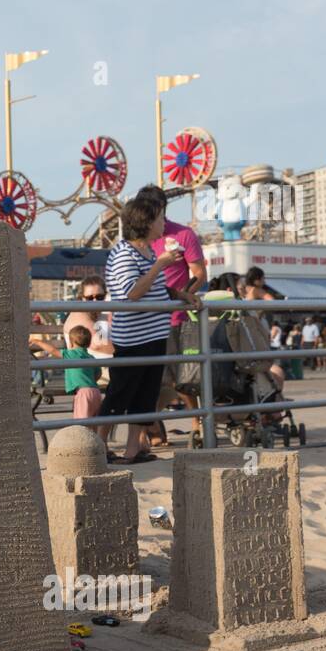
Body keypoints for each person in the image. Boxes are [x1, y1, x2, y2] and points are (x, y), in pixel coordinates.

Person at [98, 197, 197, 463]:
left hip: (154, 335)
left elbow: (153, 289)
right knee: (119, 395)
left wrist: (180, 294)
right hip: (132, 339)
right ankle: (96, 447)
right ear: (146, 222)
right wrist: (160, 265)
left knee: (145, 396)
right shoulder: (124, 253)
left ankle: (132, 451)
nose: (164, 222)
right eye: (159, 217)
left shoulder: (149, 252)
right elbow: (133, 292)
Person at [138, 184, 206, 449]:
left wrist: (182, 296)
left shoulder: (184, 234)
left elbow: (199, 274)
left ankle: (197, 423)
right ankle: (149, 430)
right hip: (143, 319)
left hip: (176, 319)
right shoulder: (138, 239)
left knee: (184, 379)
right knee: (151, 380)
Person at [33, 324, 103, 419]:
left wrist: (38, 341)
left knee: (81, 425)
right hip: (96, 392)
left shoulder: (71, 354)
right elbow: (98, 373)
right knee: (94, 423)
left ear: (71, 343)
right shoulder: (90, 357)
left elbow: (53, 351)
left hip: (83, 393)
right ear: (88, 343)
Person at [63, 275, 115, 358]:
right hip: (87, 368)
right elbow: (97, 344)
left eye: (99, 297)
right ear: (82, 298)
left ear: (105, 296)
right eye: (90, 298)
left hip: (106, 365)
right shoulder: (79, 314)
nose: (95, 301)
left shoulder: (102, 315)